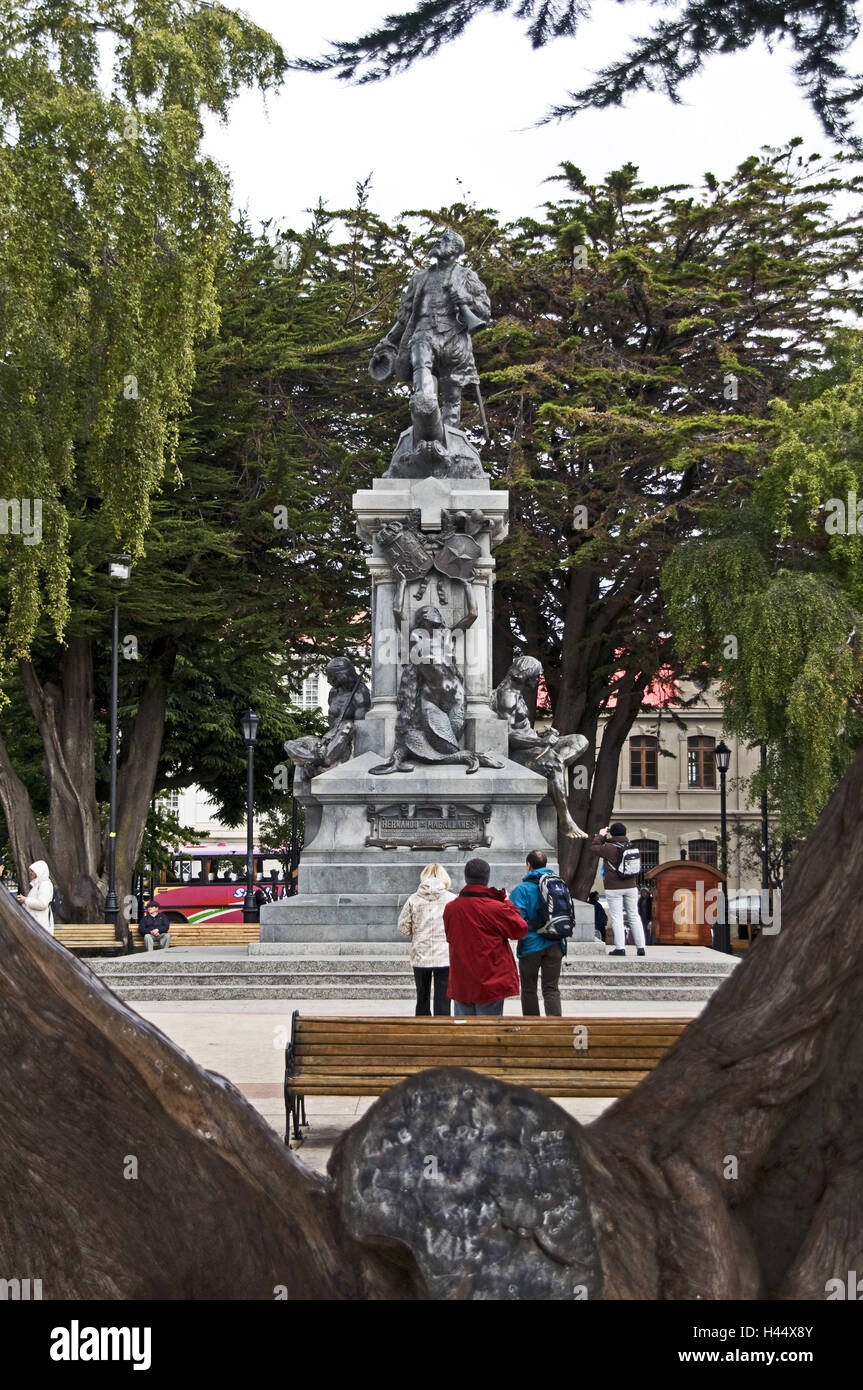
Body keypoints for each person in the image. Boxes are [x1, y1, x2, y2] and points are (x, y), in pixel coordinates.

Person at [443, 858, 526, 1016]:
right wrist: (508, 903)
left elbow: (449, 937)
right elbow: (520, 930)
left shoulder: (451, 908)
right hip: (490, 979)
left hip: (462, 979)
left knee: (464, 1030)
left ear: (466, 877)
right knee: (488, 1032)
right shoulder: (496, 908)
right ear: (487, 878)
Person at [509, 850, 565, 1016]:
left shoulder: (522, 890)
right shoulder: (559, 885)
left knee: (528, 989)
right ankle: (556, 1029)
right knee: (551, 988)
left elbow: (516, 920)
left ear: (528, 865)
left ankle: (533, 1027)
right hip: (555, 942)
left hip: (531, 945)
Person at [397, 862, 456, 1016]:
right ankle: (441, 1033)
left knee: (422, 998)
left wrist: (417, 932)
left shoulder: (414, 899)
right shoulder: (452, 899)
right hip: (444, 955)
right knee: (443, 1000)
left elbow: (403, 927)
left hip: (420, 954)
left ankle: (422, 1030)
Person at [588, 823, 646, 957]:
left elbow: (594, 847)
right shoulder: (631, 846)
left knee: (617, 917)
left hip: (614, 887)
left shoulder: (608, 847)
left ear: (612, 833)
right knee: (634, 916)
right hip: (631, 886)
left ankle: (620, 948)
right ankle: (641, 947)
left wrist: (601, 835)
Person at [17, 860, 55, 935]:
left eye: (33, 871)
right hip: (36, 922)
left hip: (41, 922)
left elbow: (42, 904)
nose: (30, 873)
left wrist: (26, 900)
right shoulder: (37, 885)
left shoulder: (45, 885)